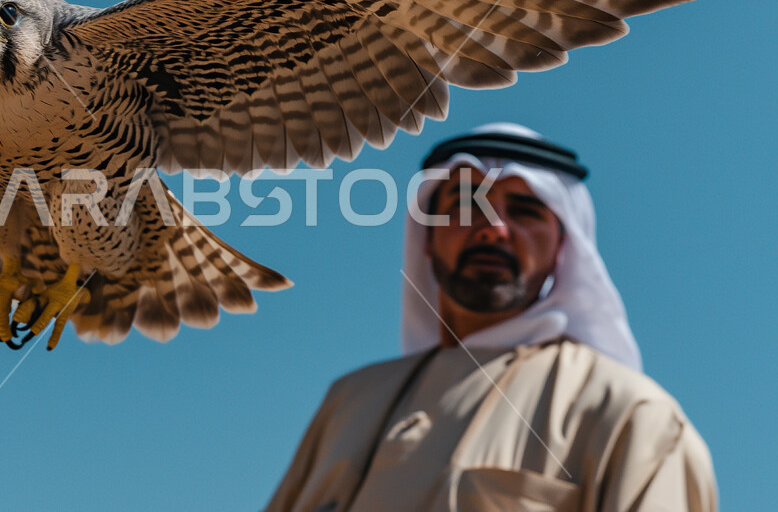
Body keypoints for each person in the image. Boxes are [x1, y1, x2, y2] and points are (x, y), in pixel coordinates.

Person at [266, 123, 716, 512]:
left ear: (564, 244)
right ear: (424, 235)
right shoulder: (350, 402)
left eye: (523, 210)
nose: (492, 227)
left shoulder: (630, 414)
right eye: (465, 204)